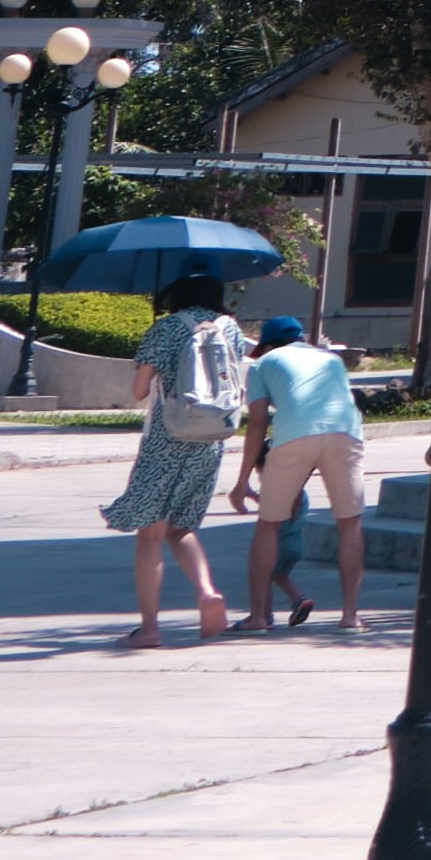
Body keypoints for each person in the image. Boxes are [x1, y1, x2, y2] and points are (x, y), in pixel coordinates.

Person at [107, 270, 252, 649]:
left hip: (167, 438)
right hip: (211, 438)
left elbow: (139, 391)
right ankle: (206, 592)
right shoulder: (231, 329)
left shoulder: (167, 328)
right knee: (182, 527)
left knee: (151, 533)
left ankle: (149, 627)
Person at [228, 310, 371, 629]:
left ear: (266, 346)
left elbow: (258, 423)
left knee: (268, 526)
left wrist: (242, 480)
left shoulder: (263, 364)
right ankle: (350, 615)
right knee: (350, 525)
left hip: (293, 434)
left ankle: (256, 617)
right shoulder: (330, 359)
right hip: (345, 432)